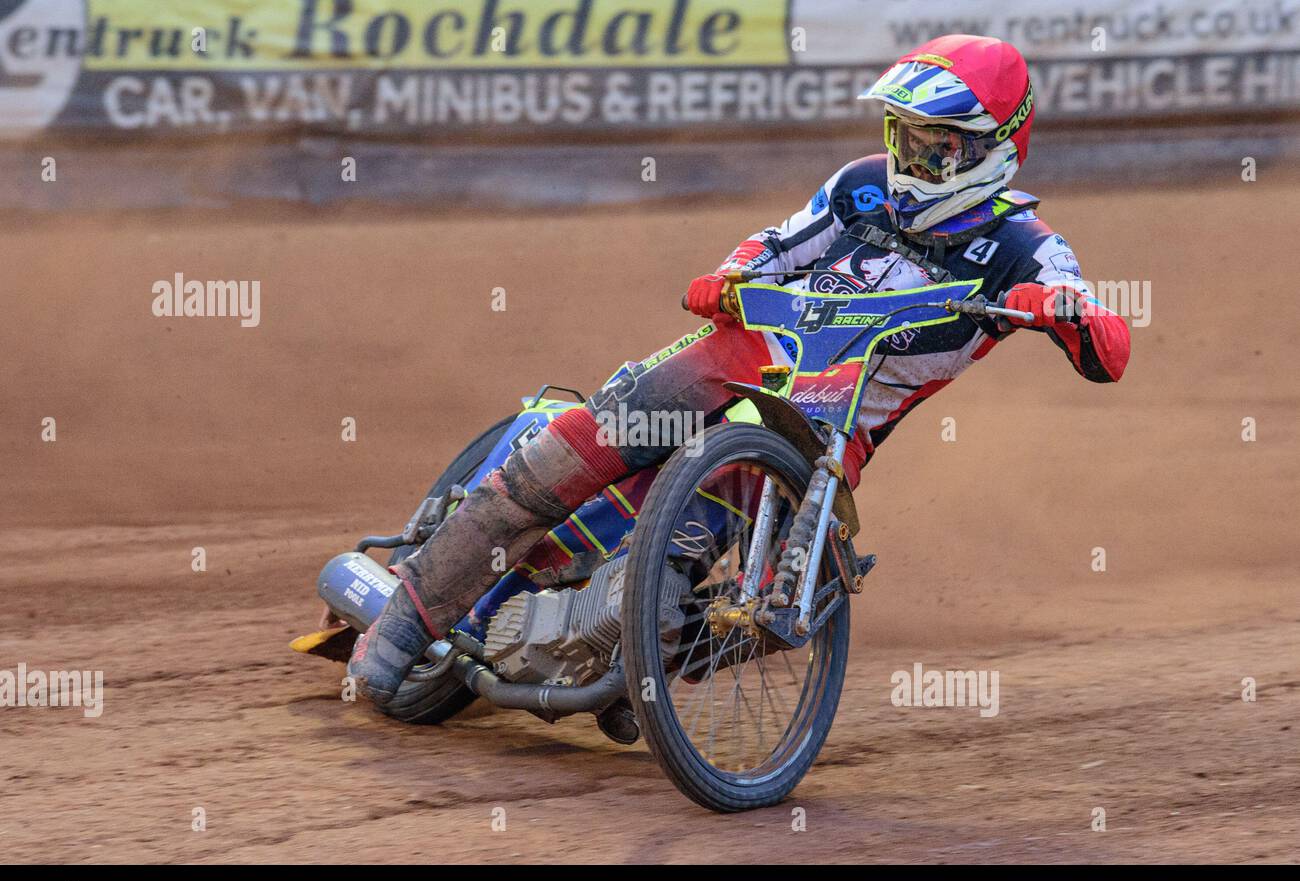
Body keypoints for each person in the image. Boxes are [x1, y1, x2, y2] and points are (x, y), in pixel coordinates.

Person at [347, 33, 1130, 704]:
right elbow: (776, 244)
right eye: (905, 136)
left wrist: (1066, 313)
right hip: (737, 357)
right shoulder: (862, 186)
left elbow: (1107, 345)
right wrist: (727, 277)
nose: (911, 158)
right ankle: (405, 619)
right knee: (563, 455)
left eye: (936, 146)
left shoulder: (1027, 247)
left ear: (995, 146)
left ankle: (624, 662)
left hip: (818, 434)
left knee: (665, 586)